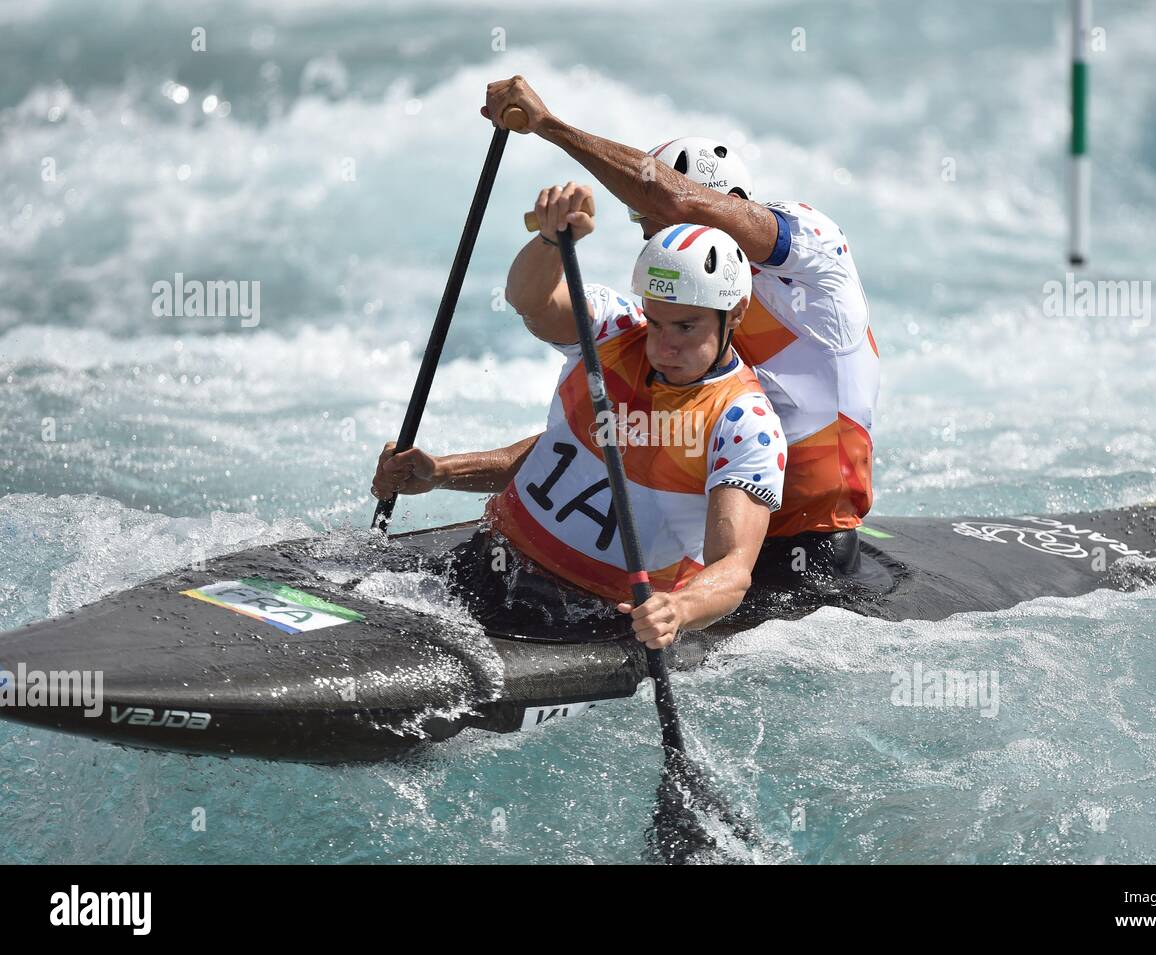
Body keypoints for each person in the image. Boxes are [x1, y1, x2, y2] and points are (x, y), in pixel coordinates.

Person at [480, 77, 880, 589]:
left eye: (655, 226)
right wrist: (444, 472)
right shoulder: (675, 314)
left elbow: (678, 204)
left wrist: (548, 125)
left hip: (803, 550)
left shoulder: (811, 251)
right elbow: (616, 431)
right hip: (696, 525)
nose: (660, 244)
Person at [371, 188, 787, 649]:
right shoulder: (613, 330)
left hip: (586, 619)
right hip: (488, 561)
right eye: (657, 321)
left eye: (686, 327)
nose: (663, 346)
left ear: (735, 314)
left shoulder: (744, 423)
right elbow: (532, 304)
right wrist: (442, 472)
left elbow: (731, 570)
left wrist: (679, 609)